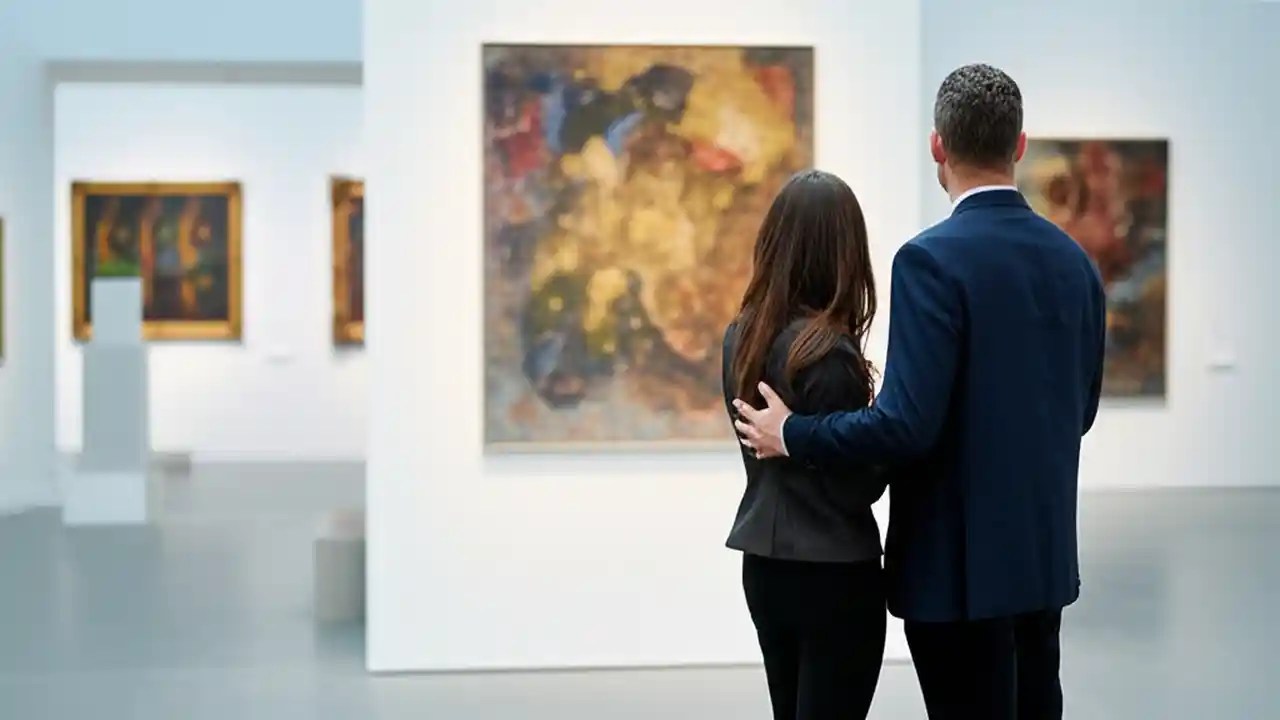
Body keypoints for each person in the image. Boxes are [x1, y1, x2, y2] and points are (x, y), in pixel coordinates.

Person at [732, 64, 1107, 720]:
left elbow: (907, 425)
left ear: (938, 146)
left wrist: (793, 432)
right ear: (1019, 145)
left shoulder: (931, 260)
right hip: (1041, 564)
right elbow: (1081, 412)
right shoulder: (1075, 263)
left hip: (955, 575)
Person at [722, 169, 887, 720]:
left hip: (766, 568)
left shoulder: (740, 335)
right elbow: (858, 484)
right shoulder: (828, 352)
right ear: (845, 253)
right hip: (833, 574)